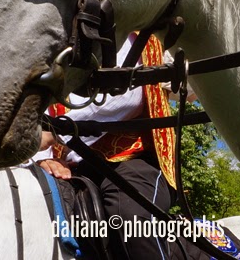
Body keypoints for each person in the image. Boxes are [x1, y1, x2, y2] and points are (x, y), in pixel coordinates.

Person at [33, 33, 179, 260]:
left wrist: (55, 131)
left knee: (130, 217)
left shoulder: (131, 32)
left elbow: (127, 93)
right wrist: (40, 158)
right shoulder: (45, 47)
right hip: (69, 167)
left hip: (131, 160)